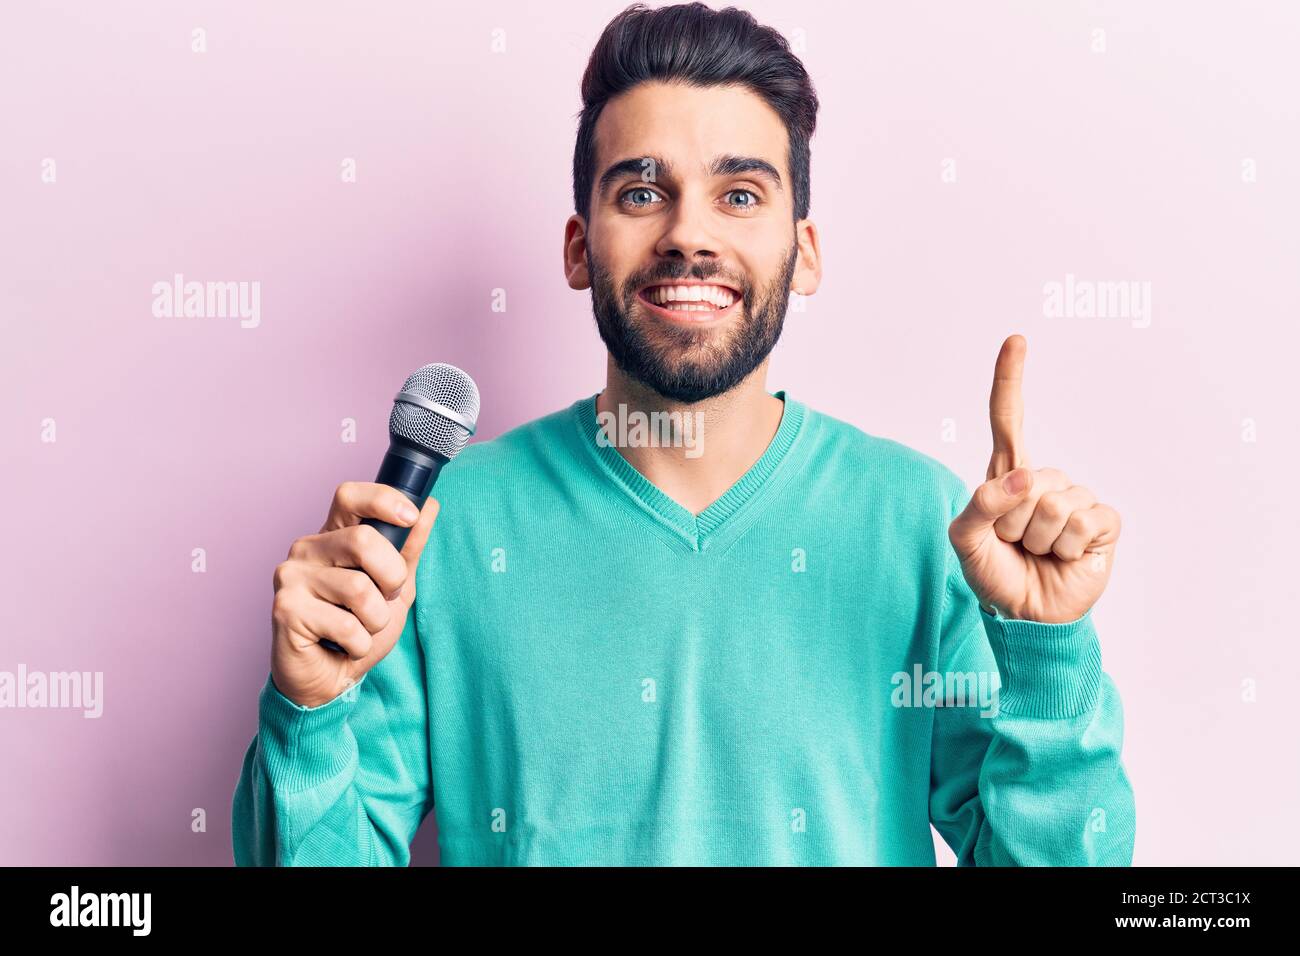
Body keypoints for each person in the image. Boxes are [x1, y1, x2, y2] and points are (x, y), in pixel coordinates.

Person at [232, 2, 1134, 866]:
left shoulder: (925, 521)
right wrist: (307, 714)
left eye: (740, 194)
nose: (688, 234)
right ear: (580, 247)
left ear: (804, 250)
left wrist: (1047, 649)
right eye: (642, 192)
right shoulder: (441, 530)